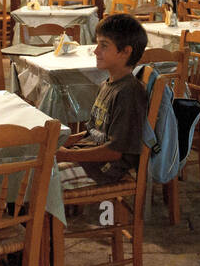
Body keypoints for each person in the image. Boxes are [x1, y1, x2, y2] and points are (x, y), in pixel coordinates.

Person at [55, 14, 148, 186]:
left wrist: (66, 155)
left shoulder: (129, 92)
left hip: (105, 169)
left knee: (40, 177)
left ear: (126, 52)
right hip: (89, 156)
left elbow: (114, 151)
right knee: (30, 161)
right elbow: (94, 132)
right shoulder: (107, 84)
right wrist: (65, 141)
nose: (96, 51)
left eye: (103, 45)